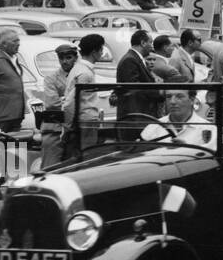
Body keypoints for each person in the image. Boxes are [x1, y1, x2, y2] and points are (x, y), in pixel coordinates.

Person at [57, 33, 105, 164]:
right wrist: (67, 127)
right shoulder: (85, 73)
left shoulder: (78, 69)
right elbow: (70, 103)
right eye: (101, 49)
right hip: (86, 121)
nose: (102, 53)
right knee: (87, 158)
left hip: (84, 121)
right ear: (95, 51)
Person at [115, 29, 163, 140]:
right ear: (143, 43)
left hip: (139, 118)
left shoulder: (135, 59)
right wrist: (159, 92)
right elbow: (134, 88)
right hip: (134, 119)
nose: (152, 46)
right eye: (150, 42)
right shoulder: (130, 60)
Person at [37, 43, 79, 164]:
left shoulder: (80, 75)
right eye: (61, 58)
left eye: (68, 57)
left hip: (75, 128)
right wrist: (70, 100)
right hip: (55, 128)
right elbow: (52, 103)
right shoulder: (51, 78)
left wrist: (64, 99)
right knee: (50, 167)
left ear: (75, 58)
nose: (64, 61)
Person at [141, 89, 215, 146]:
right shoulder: (153, 127)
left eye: (179, 97)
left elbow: (212, 160)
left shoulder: (208, 128)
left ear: (192, 100)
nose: (172, 102)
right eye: (169, 97)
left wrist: (187, 150)